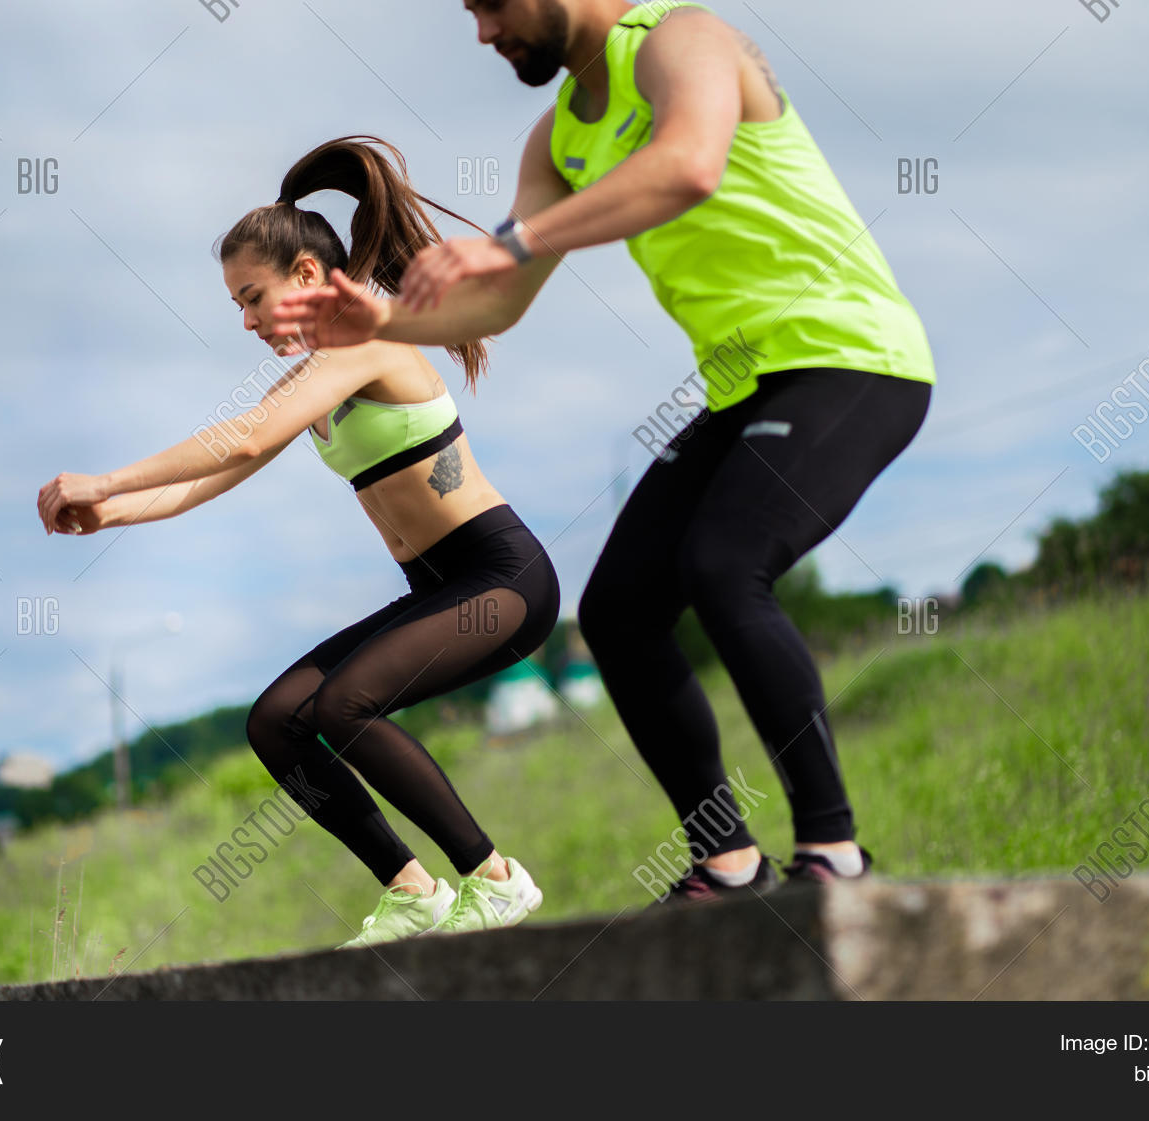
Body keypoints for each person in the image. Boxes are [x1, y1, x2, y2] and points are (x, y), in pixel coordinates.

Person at [269, 1, 937, 902]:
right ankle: (729, 863)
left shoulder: (680, 39)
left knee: (724, 565)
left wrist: (516, 238)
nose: (483, 32)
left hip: (853, 358)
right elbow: (500, 301)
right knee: (619, 611)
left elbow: (689, 165)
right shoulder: (559, 139)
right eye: (469, 12)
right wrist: (383, 319)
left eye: (492, 3)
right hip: (746, 388)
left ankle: (835, 851)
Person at [35, 136, 558, 945]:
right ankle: (412, 892)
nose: (246, 321)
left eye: (253, 297)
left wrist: (104, 479)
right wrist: (115, 513)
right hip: (439, 590)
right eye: (237, 306)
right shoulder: (317, 376)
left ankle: (495, 879)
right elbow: (219, 472)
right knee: (277, 719)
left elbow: (243, 436)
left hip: (502, 580)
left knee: (346, 703)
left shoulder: (369, 344)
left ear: (308, 274)